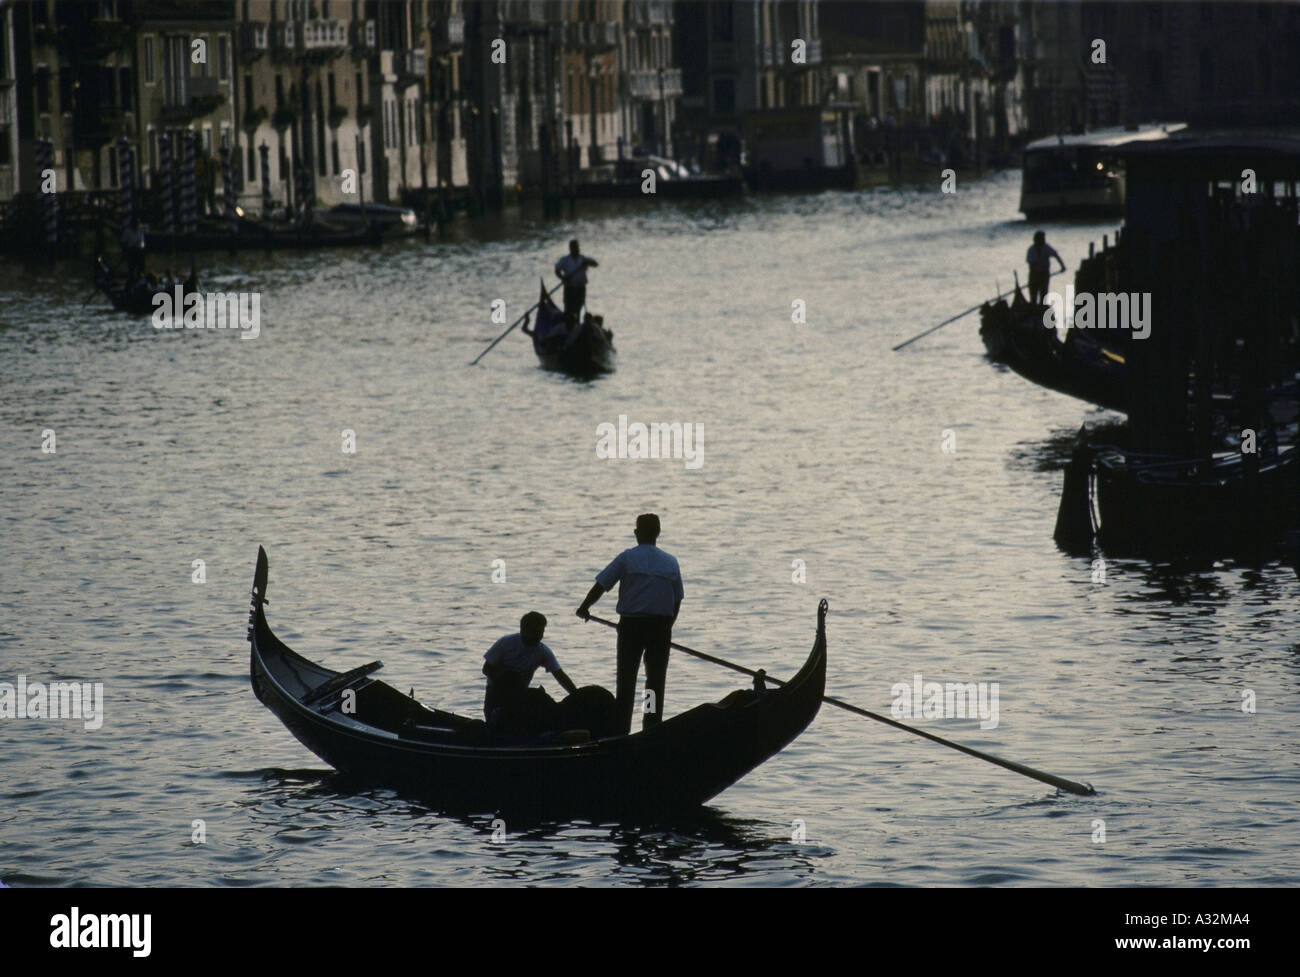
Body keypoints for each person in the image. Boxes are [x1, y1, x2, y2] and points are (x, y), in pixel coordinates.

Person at [576, 514, 683, 734]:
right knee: (654, 681)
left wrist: (585, 607)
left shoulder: (627, 558)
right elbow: (677, 599)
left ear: (637, 533)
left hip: (631, 627)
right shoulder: (670, 561)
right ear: (658, 533)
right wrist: (668, 626)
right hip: (660, 627)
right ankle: (651, 727)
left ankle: (622, 729)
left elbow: (602, 585)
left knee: (626, 680)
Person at [482, 612, 577, 731]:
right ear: (523, 630)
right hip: (496, 694)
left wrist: (576, 695)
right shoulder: (506, 643)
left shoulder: (543, 651)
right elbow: (486, 668)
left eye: (541, 632)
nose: (538, 637)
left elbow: (560, 675)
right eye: (535, 632)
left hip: (521, 695)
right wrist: (506, 683)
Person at [554, 239, 597, 323]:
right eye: (573, 248)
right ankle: (568, 326)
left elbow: (595, 264)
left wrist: (587, 262)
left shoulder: (583, 259)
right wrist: (562, 278)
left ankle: (576, 325)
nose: (576, 249)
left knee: (578, 308)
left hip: (580, 288)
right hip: (569, 288)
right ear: (570, 249)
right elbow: (557, 270)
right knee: (569, 308)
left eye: (577, 247)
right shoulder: (565, 260)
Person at [1027, 230, 1066, 306]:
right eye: (1042, 238)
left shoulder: (1046, 247)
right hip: (1034, 274)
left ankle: (1041, 308)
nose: (1043, 240)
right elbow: (1031, 264)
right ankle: (1034, 307)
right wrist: (1036, 275)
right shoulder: (1031, 250)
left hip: (1044, 274)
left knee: (1043, 294)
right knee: (1033, 294)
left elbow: (1056, 255)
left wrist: (1062, 266)